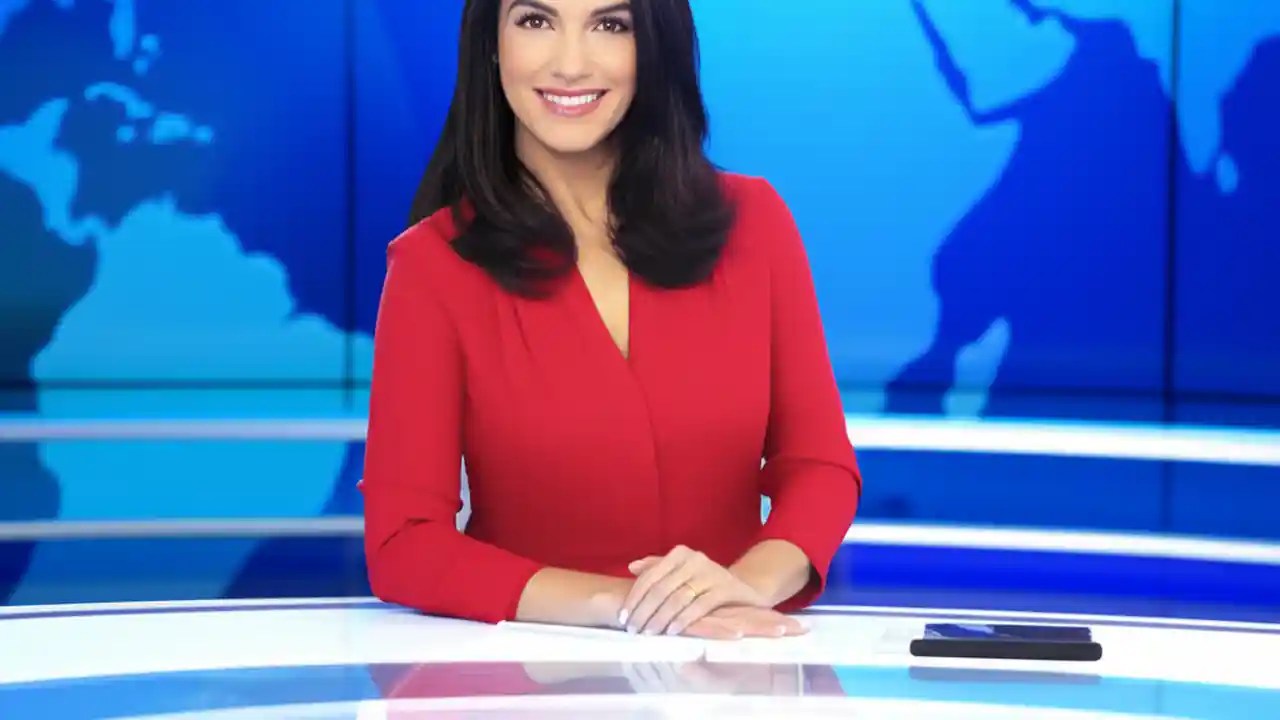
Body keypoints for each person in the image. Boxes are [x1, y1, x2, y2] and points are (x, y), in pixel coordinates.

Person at [361, 0, 861, 641]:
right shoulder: (433, 266)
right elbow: (405, 544)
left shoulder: (754, 222)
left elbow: (818, 465)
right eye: (536, 21)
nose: (570, 64)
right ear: (491, 42)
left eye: (610, 24)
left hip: (739, 671)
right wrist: (630, 604)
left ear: (652, 46)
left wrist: (747, 584)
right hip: (528, 675)